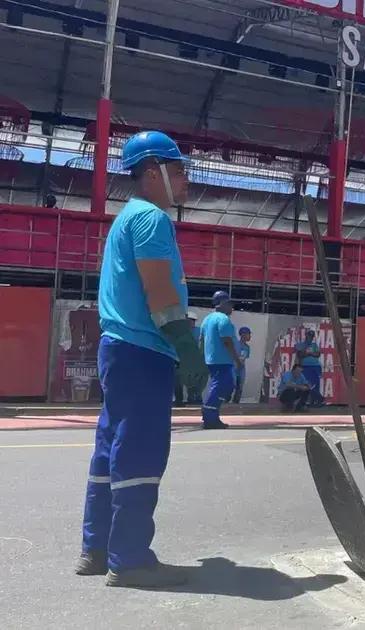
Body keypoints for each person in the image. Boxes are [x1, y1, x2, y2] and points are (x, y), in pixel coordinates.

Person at [77, 130, 206, 587]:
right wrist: (187, 346)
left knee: (110, 448)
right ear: (152, 173)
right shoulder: (152, 219)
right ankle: (129, 559)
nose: (186, 179)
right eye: (178, 170)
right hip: (143, 350)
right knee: (140, 451)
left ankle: (96, 547)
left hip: (119, 350)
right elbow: (161, 293)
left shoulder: (126, 217)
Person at [199, 291, 241, 430]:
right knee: (222, 386)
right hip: (222, 360)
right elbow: (227, 341)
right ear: (222, 304)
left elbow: (201, 340)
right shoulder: (223, 319)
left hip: (211, 359)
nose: (232, 307)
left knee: (220, 386)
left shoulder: (207, 319)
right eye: (229, 304)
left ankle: (212, 415)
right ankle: (209, 414)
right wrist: (237, 359)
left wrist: (202, 358)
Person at [294, 329, 323, 407]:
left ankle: (315, 401)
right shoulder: (301, 344)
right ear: (306, 336)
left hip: (315, 366)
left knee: (315, 384)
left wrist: (309, 353)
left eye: (312, 336)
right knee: (307, 384)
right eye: (309, 336)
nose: (310, 338)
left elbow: (318, 354)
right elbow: (300, 354)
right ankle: (308, 400)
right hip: (305, 366)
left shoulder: (314, 345)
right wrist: (310, 353)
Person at [233, 326, 251, 403]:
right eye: (248, 334)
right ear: (243, 334)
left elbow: (244, 358)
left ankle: (236, 404)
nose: (250, 336)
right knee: (230, 387)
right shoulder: (236, 344)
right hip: (234, 368)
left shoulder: (247, 347)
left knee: (239, 388)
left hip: (241, 370)